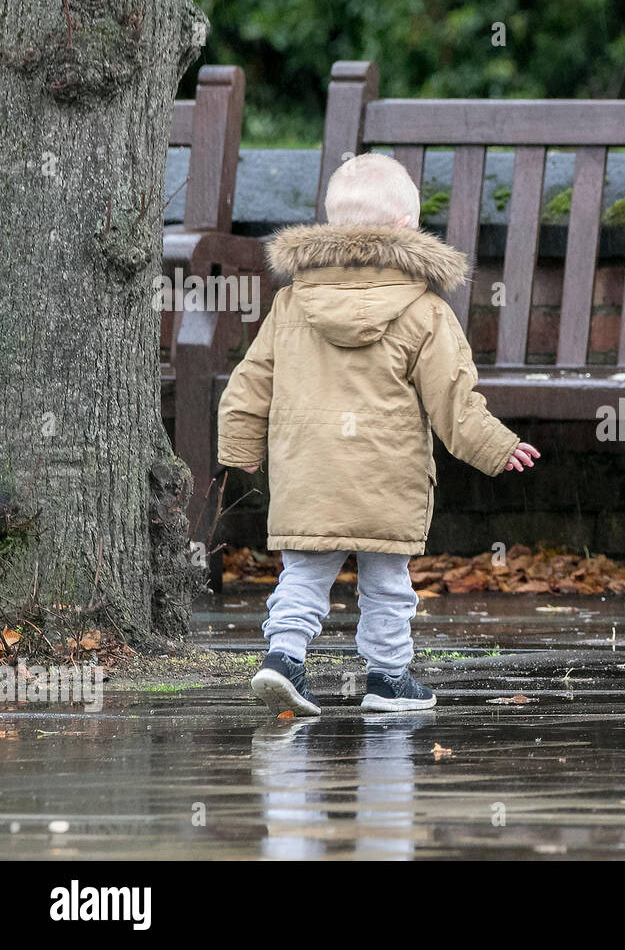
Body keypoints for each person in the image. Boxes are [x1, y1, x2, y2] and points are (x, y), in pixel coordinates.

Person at [217, 153, 540, 714]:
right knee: (388, 581)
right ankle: (389, 679)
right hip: (386, 477)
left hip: (309, 476)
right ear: (404, 230)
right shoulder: (425, 309)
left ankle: (283, 658)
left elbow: (252, 380)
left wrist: (240, 446)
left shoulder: (291, 300)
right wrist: (498, 447)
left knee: (304, 575)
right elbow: (454, 402)